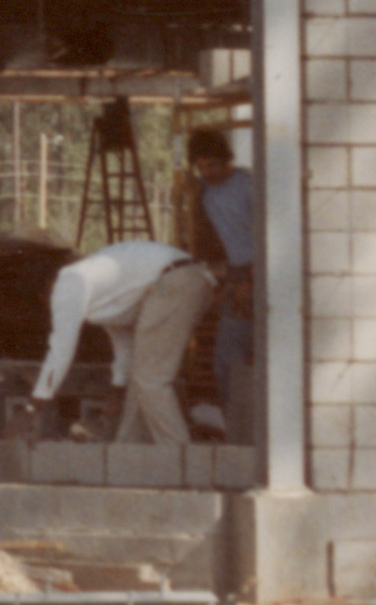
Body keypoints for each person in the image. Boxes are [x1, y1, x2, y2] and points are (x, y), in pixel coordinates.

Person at [31, 239, 214, 445]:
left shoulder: (68, 282)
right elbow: (125, 346)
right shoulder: (101, 292)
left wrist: (32, 409)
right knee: (142, 377)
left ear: (45, 291)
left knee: (150, 379)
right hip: (190, 278)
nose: (54, 309)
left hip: (172, 281)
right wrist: (117, 391)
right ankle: (126, 452)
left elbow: (61, 351)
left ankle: (181, 457)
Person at [185, 128, 258, 446]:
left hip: (260, 276)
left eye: (213, 165)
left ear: (227, 161)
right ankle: (235, 428)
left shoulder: (248, 186)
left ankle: (252, 430)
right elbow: (206, 240)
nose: (208, 173)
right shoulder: (206, 191)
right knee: (225, 360)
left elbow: (271, 236)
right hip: (236, 277)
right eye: (201, 167)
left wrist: (252, 281)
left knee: (254, 354)